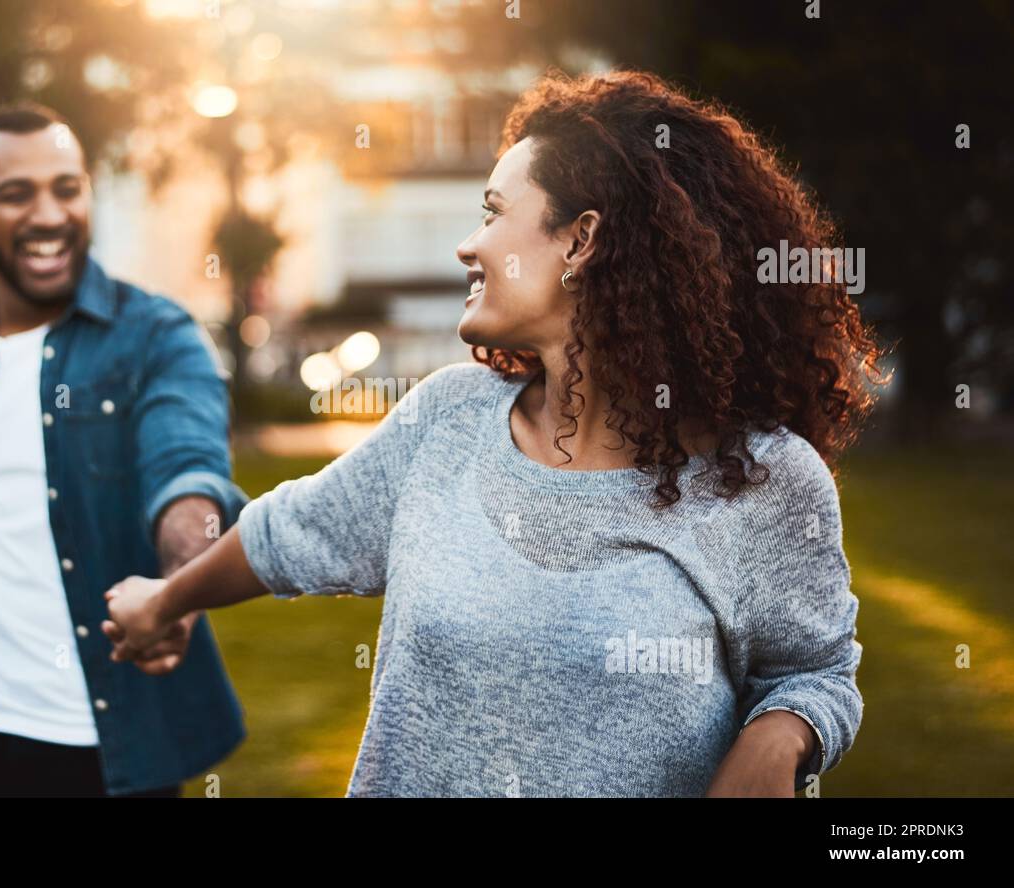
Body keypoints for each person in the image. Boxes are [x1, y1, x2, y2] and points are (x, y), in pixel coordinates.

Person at [102, 70, 884, 798]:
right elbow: (292, 530)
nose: (467, 244)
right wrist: (165, 601)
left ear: (581, 240)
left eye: (492, 212)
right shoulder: (448, 420)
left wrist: (780, 736)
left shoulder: (760, 478)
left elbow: (813, 672)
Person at [0, 103, 247, 798]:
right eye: (15, 194)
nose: (49, 215)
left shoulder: (157, 336)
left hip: (109, 752)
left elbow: (186, 462)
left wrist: (182, 580)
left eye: (67, 187)